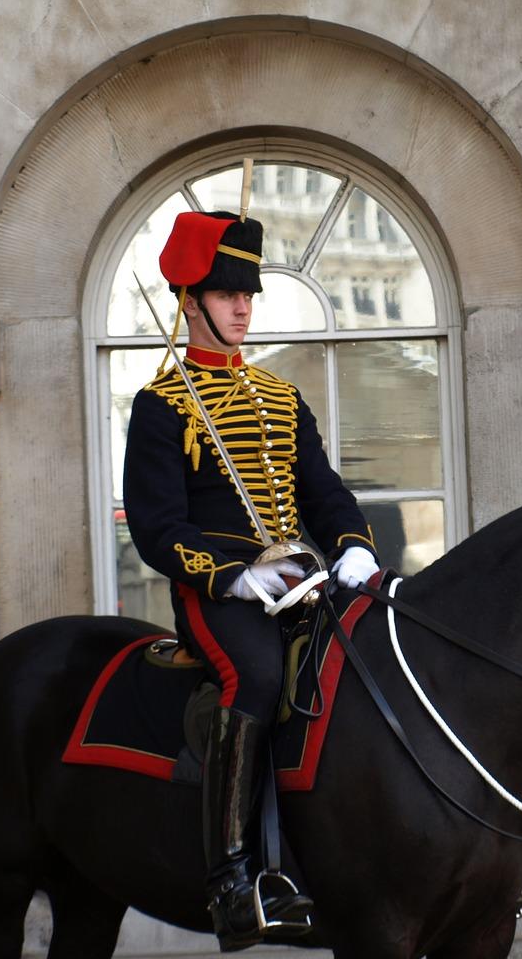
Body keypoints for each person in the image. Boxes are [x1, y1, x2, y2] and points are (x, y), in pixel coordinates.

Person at [123, 209, 379, 951]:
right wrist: (232, 580)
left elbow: (324, 493)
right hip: (219, 595)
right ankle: (231, 880)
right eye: (226, 291)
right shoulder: (162, 407)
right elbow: (158, 528)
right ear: (189, 300)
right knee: (258, 678)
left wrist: (354, 548)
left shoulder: (279, 397)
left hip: (302, 577)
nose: (243, 305)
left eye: (248, 292)